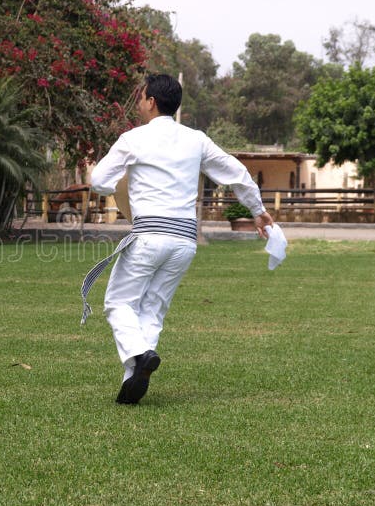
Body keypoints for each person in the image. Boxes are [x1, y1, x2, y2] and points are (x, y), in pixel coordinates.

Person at [81, 74, 274, 404]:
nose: (139, 104)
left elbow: (99, 180)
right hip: (185, 241)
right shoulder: (196, 139)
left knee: (118, 303)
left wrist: (106, 183)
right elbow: (237, 173)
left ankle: (139, 356)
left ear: (152, 101)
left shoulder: (133, 139)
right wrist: (257, 210)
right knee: (152, 309)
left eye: (140, 98)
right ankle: (134, 378)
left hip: (149, 236)